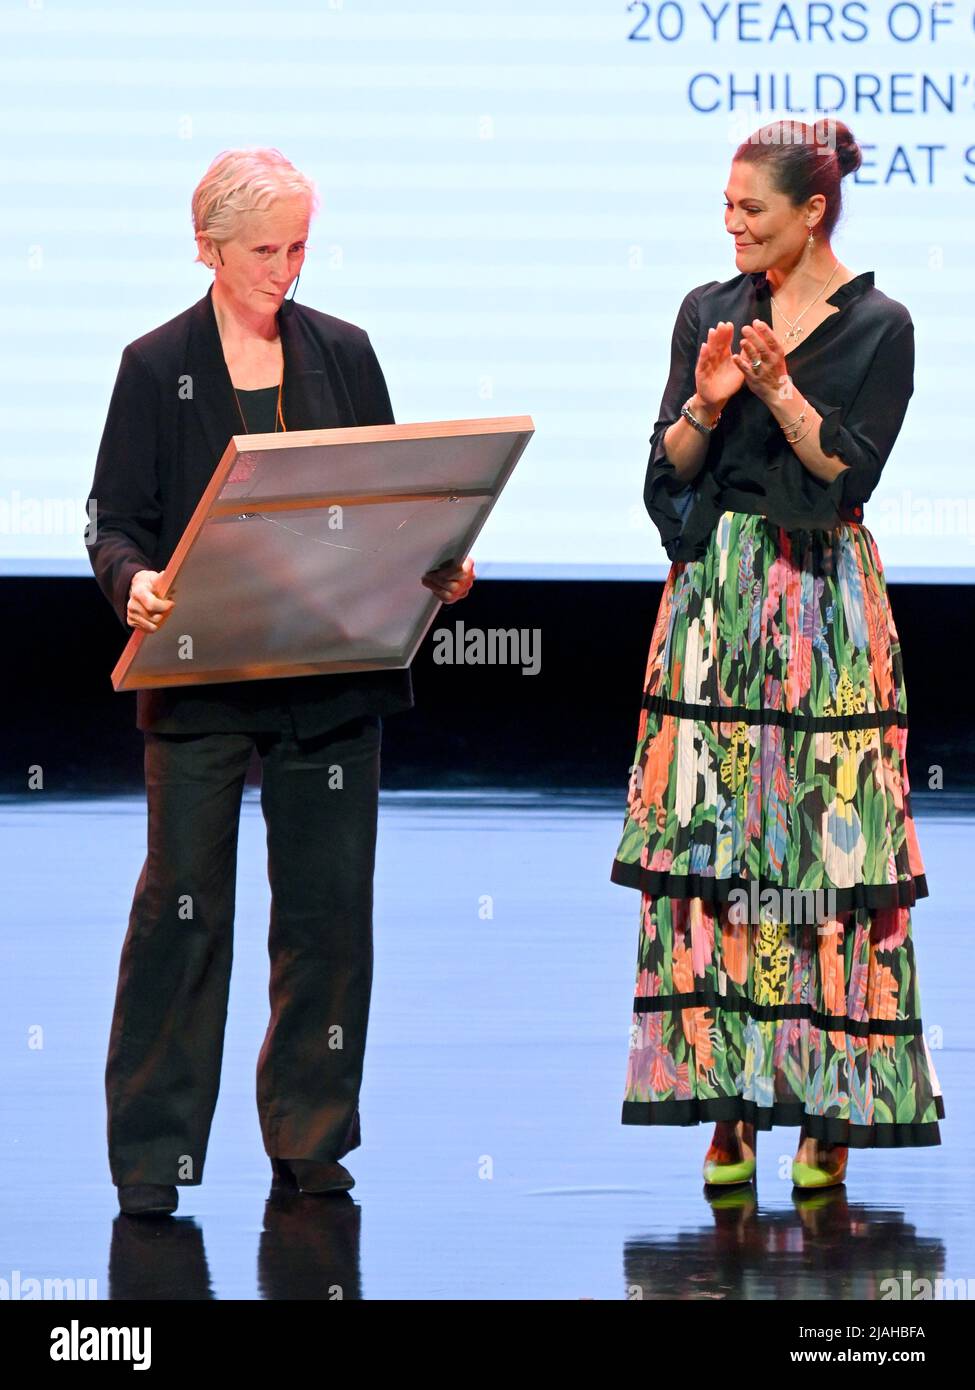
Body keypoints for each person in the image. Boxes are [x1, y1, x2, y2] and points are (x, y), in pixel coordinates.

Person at [85, 148, 475, 1216]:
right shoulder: (154, 362)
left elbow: (391, 498)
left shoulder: (344, 354)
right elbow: (114, 520)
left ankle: (311, 1132)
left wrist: (435, 557)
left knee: (328, 912)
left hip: (330, 668)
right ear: (205, 245)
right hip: (203, 672)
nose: (287, 268)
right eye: (266, 249)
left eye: (299, 246)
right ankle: (153, 1151)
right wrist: (136, 581)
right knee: (182, 907)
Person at [611, 119, 945, 1191]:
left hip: (820, 612)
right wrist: (708, 404)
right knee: (724, 854)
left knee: (823, 855)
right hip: (716, 602)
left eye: (752, 208)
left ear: (813, 212)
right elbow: (668, 465)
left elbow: (845, 475)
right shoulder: (709, 310)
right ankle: (732, 1098)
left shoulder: (879, 326)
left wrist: (782, 393)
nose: (733, 223)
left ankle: (825, 1105)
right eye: (726, 206)